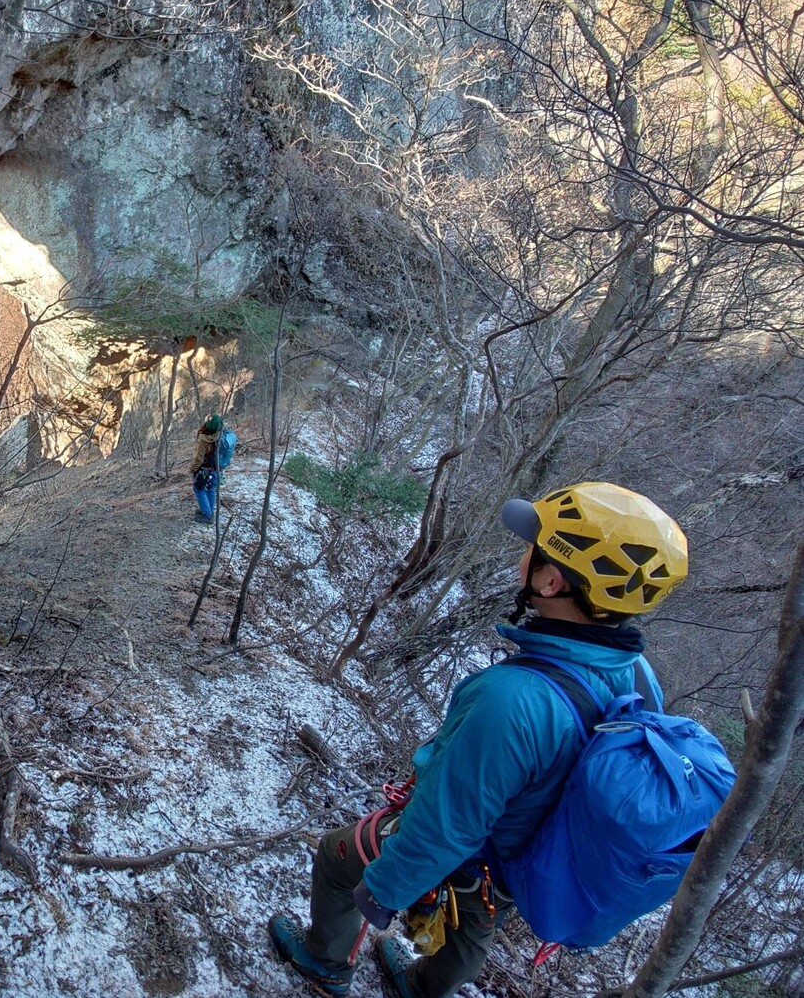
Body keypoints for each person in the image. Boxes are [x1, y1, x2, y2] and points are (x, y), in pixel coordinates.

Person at [268, 481, 688, 998]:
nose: (522, 554)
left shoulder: (511, 699)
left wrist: (383, 891)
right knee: (478, 921)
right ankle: (424, 988)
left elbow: (448, 824)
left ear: (550, 581)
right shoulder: (639, 675)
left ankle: (324, 962)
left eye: (532, 548)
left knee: (337, 860)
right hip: (528, 859)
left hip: (477, 849)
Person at [189, 415, 225, 524]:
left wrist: (192, 470)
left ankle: (207, 515)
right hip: (215, 469)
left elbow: (198, 459)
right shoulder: (221, 436)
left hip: (203, 470)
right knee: (211, 489)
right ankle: (210, 512)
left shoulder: (203, 439)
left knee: (199, 489)